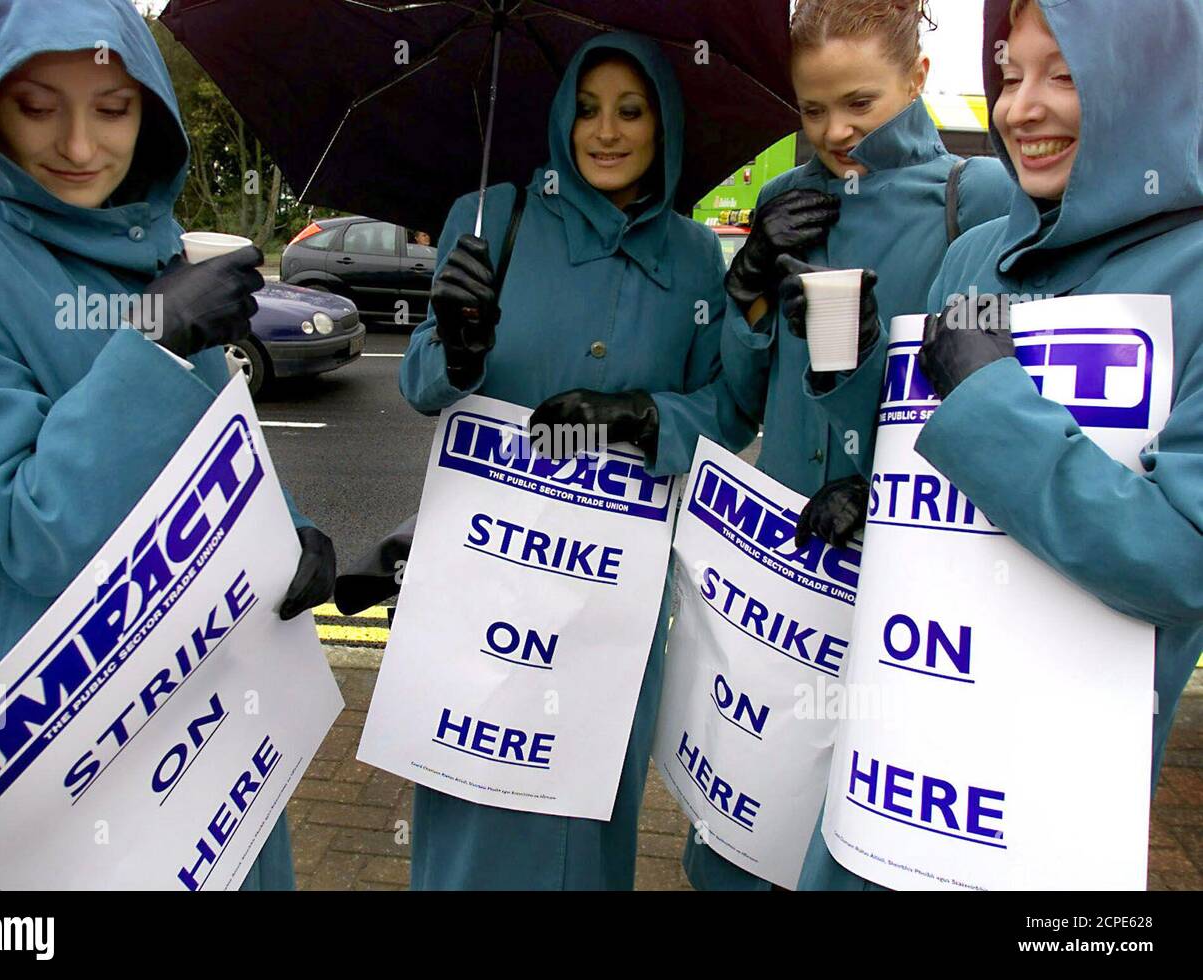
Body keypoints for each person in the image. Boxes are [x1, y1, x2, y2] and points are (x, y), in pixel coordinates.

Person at [0, 0, 337, 889]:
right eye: (36, 106)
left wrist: (289, 540)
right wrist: (146, 343)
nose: (78, 146)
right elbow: (20, 524)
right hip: (82, 740)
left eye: (112, 108)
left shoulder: (149, 237)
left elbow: (212, 444)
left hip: (224, 727)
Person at [800, 0, 1203, 890]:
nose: (1021, 108)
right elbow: (915, 451)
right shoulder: (977, 254)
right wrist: (861, 401)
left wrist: (990, 405)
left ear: (1152, 73)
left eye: (1066, 73)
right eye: (1010, 74)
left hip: (1041, 811)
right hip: (893, 765)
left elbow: (1186, 559)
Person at [399, 32, 758, 890]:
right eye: (589, 109)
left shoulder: (695, 256)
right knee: (473, 811)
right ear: (562, 119)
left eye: (630, 111)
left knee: (587, 825)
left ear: (661, 125)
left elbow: (724, 412)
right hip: (487, 590)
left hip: (612, 605)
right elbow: (420, 384)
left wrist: (640, 418)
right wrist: (454, 343)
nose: (606, 131)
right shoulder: (492, 219)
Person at [686, 0, 1014, 891]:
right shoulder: (786, 199)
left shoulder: (975, 199)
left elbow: (999, 396)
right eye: (812, 108)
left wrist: (880, 482)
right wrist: (750, 292)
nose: (836, 131)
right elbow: (743, 401)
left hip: (902, 574)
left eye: (860, 102)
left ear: (916, 81)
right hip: (784, 566)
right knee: (742, 832)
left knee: (860, 835)